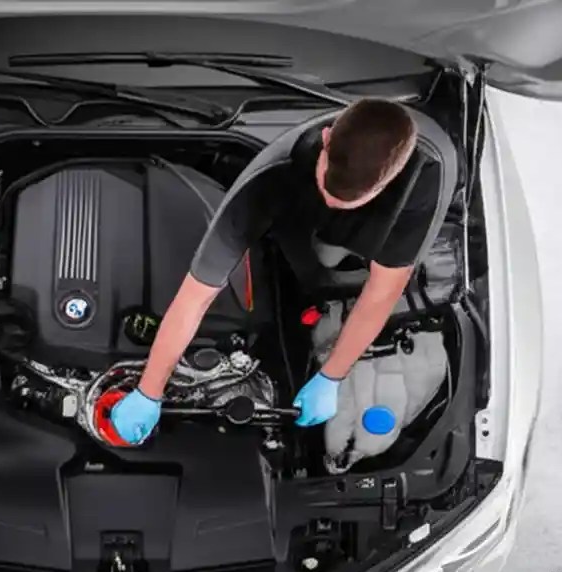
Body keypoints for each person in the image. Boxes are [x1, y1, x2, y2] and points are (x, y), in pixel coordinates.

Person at [110, 98, 445, 445]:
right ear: (326, 138)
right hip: (299, 216)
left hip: (365, 237)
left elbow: (382, 291)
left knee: (331, 262)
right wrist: (149, 390)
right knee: (318, 254)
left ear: (388, 183)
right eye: (327, 185)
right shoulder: (270, 177)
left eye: (347, 202)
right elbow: (194, 297)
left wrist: (332, 376)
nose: (332, 200)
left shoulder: (423, 180)